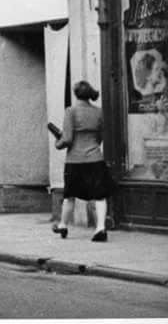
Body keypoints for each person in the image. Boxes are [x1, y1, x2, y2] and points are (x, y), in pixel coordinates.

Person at [52, 79, 114, 242]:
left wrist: (58, 144)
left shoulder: (70, 111)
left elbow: (67, 138)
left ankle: (63, 225)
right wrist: (93, 147)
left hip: (75, 160)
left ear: (76, 94)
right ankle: (100, 228)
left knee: (70, 195)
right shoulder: (98, 112)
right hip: (95, 159)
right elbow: (101, 136)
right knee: (99, 195)